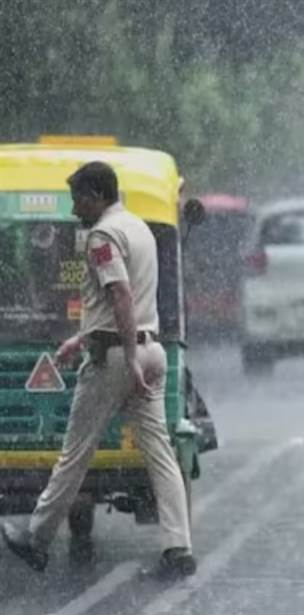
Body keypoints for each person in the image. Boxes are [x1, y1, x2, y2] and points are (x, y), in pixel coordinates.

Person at [3, 161, 196, 579]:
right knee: (160, 455)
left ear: (95, 196)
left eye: (77, 200)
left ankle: (37, 540)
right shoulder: (139, 227)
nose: (75, 210)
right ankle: (178, 546)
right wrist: (84, 337)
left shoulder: (101, 236)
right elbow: (127, 302)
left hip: (117, 359)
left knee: (75, 453)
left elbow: (121, 294)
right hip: (152, 349)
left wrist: (124, 355)